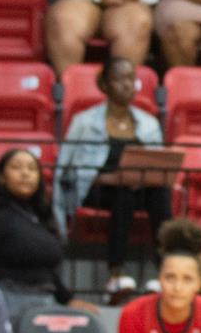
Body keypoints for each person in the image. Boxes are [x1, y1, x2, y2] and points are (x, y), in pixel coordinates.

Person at [56, 56, 170, 267]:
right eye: (119, 79)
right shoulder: (84, 122)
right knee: (123, 194)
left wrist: (146, 178)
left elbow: (158, 164)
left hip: (136, 187)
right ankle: (115, 274)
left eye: (131, 79)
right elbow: (66, 167)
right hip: (96, 189)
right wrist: (110, 178)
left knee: (160, 194)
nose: (127, 84)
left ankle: (166, 267)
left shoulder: (149, 124)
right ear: (105, 85)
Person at [0, 148, 78, 314]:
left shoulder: (41, 215)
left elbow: (47, 269)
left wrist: (68, 300)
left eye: (32, 168)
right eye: (16, 167)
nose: (25, 173)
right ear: (1, 177)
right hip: (7, 302)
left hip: (46, 301)